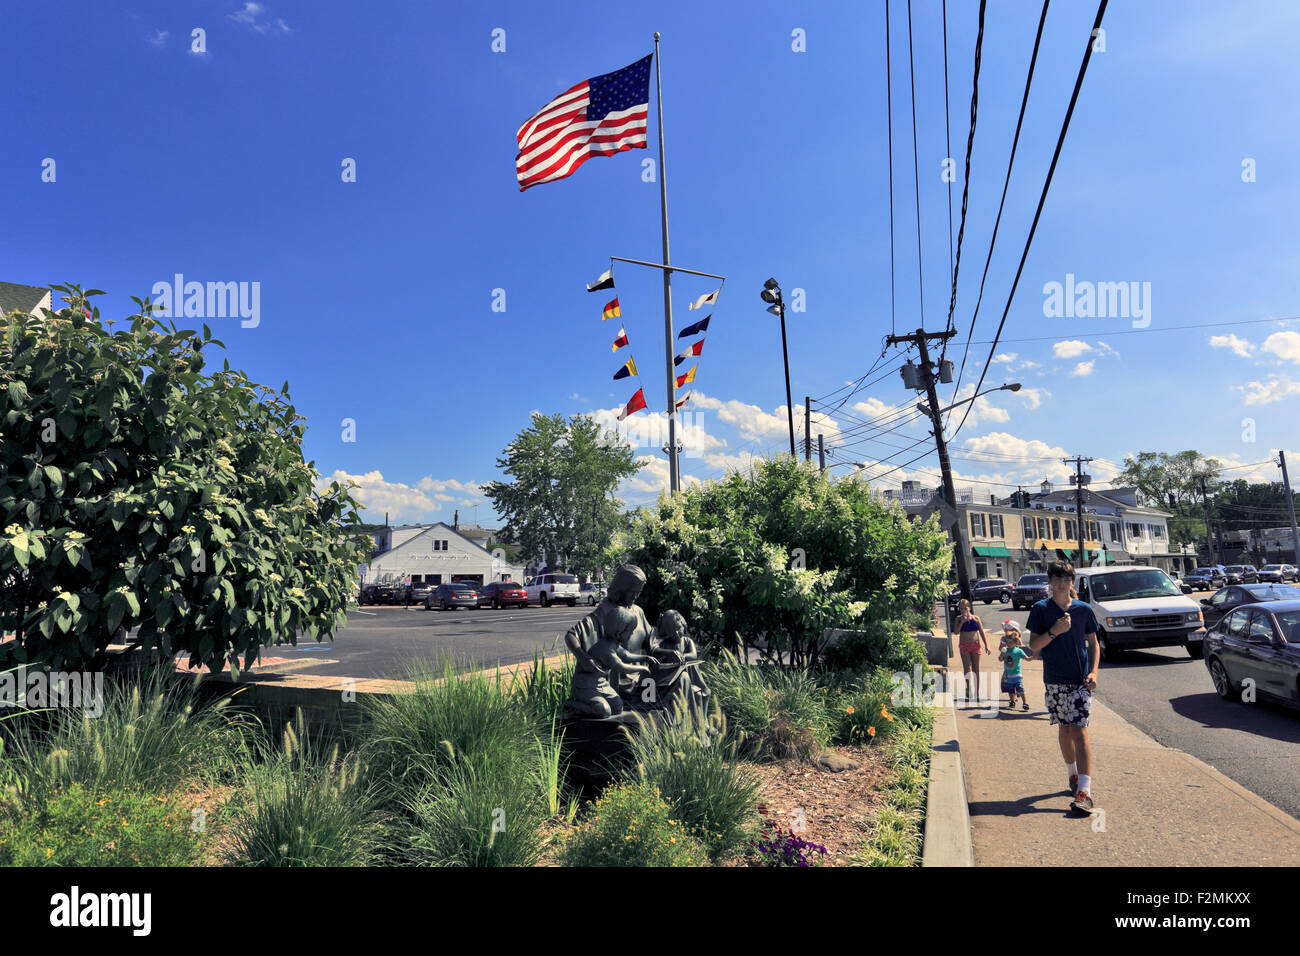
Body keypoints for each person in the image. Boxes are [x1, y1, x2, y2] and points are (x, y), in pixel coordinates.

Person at [1027, 561, 1100, 814]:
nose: (1061, 583)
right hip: (1055, 679)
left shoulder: (1084, 610)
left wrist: (1093, 671)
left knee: (1080, 731)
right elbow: (1034, 645)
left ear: (1072, 582)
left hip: (1080, 680)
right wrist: (1055, 631)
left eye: (1065, 579)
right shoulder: (1040, 609)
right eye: (1056, 579)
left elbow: (1093, 643)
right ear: (1050, 581)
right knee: (1065, 730)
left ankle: (1085, 791)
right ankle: (1072, 775)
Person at [955, 599, 992, 706]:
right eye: (961, 608)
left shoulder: (976, 618)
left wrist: (987, 645)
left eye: (965, 608)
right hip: (964, 645)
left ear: (969, 608)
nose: (963, 610)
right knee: (967, 668)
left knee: (976, 668)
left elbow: (981, 632)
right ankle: (969, 688)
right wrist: (962, 622)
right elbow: (956, 632)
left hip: (975, 645)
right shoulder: (958, 619)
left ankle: (976, 692)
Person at [998, 623, 1031, 712]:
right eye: (1007, 642)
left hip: (1017, 674)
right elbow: (1000, 660)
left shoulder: (1018, 651)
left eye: (1011, 643)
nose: (1008, 644)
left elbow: (1026, 658)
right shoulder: (1005, 650)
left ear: (1016, 642)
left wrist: (1033, 657)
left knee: (1020, 689)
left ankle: (1025, 703)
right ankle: (1012, 702)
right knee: (1011, 690)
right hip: (1008, 674)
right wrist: (1002, 654)